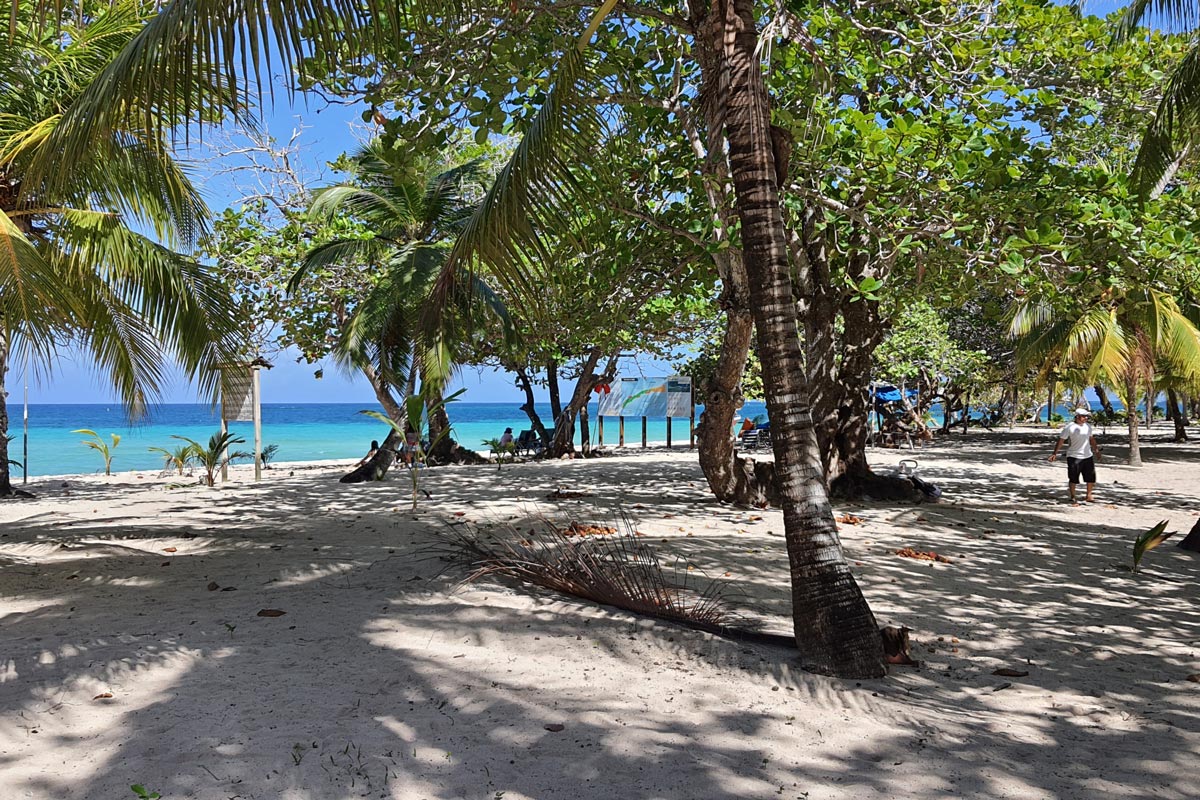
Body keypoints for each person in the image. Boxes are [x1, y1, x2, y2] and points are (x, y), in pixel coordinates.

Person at [1049, 407, 1102, 505]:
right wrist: (1054, 453)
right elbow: (1061, 440)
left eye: (1086, 416)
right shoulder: (1069, 427)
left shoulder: (1088, 426)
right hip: (1074, 456)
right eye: (1083, 416)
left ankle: (1089, 495)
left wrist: (1097, 451)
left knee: (1090, 477)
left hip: (1087, 456)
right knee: (1073, 478)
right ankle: (1073, 497)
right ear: (1077, 417)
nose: (1086, 418)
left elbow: (1091, 439)